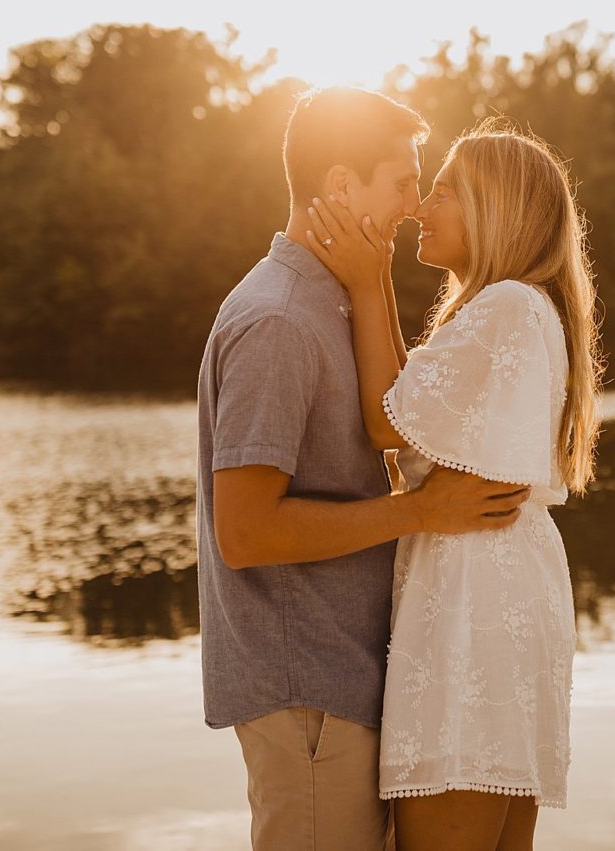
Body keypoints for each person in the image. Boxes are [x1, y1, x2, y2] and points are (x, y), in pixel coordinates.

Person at [194, 87, 533, 851]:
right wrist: (422, 511)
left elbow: (398, 422)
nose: (415, 204)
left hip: (346, 684)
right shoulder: (279, 320)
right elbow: (244, 532)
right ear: (342, 186)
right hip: (307, 697)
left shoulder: (334, 304)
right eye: (403, 182)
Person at [302, 118, 604, 851]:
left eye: (442, 192)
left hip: (476, 593)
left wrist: (366, 280)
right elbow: (415, 410)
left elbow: (387, 421)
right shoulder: (521, 307)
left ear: (494, 211)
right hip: (503, 578)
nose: (420, 209)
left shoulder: (506, 306)